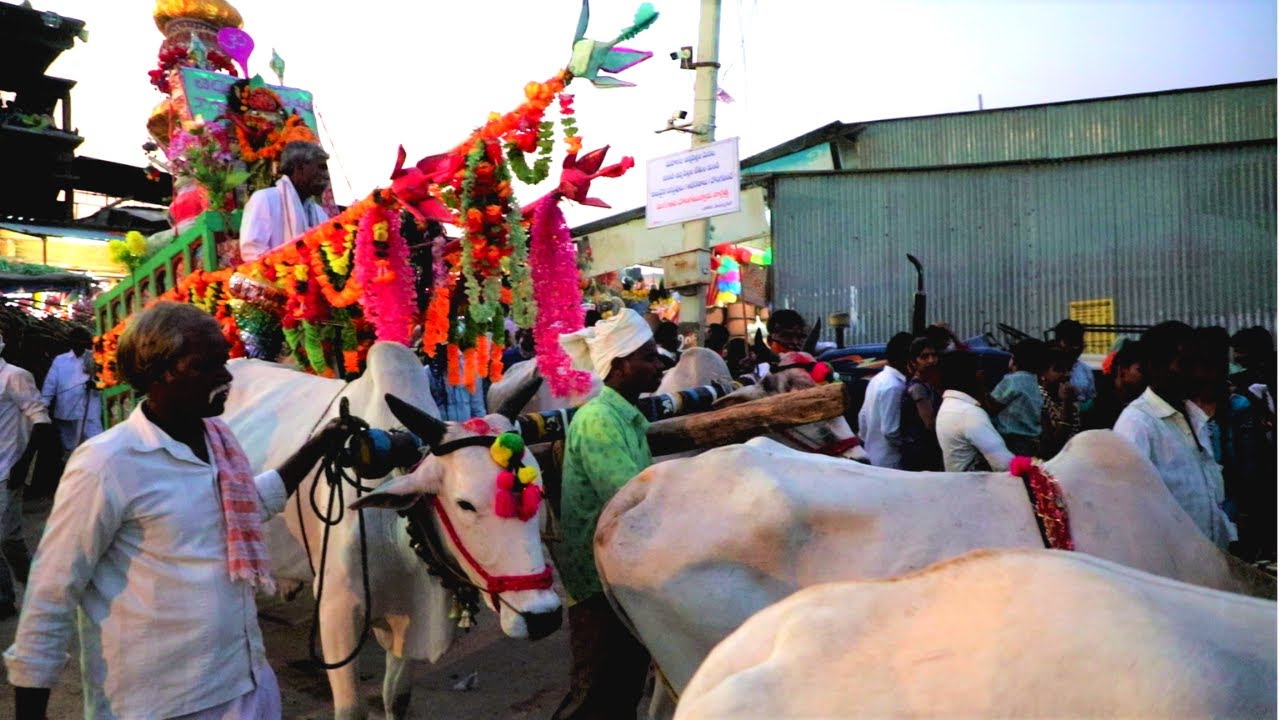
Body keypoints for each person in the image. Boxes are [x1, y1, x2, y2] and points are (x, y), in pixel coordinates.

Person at [6, 302, 345, 720]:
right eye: (207, 366)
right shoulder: (107, 463)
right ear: (160, 372)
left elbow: (246, 507)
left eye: (224, 362)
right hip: (162, 702)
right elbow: (52, 592)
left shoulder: (220, 441)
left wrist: (322, 443)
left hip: (247, 684)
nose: (226, 378)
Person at [553, 309, 664, 720]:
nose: (658, 365)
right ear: (619, 365)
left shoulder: (628, 418)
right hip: (597, 579)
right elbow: (632, 496)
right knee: (593, 695)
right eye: (648, 357)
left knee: (624, 689)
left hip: (621, 572)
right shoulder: (598, 419)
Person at [1113, 321, 1236, 550]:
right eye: (1185, 364)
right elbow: (1129, 510)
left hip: (1206, 561)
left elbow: (1207, 498)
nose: (1196, 373)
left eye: (1199, 363)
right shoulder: (1137, 424)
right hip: (1168, 568)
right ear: (1153, 367)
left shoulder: (1193, 417)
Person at [0, 333, 52, 620]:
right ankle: (5, 599)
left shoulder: (15, 376)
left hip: (10, 465)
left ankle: (38, 588)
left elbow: (41, 421)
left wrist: (25, 463)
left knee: (7, 537)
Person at [239, 141, 332, 262]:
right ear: (299, 167)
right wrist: (287, 271)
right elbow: (251, 252)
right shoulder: (265, 199)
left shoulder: (320, 213)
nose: (327, 176)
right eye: (321, 168)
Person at [936, 351, 1014, 473]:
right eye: (980, 372)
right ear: (977, 376)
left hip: (958, 485)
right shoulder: (969, 413)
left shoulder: (949, 406)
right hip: (976, 487)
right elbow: (1003, 463)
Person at [39, 325, 101, 456]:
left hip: (89, 410)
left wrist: (95, 385)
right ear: (71, 342)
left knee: (95, 444)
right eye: (76, 341)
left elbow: (105, 381)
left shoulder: (94, 359)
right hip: (66, 411)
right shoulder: (60, 360)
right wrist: (44, 404)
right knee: (70, 448)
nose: (80, 344)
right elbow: (50, 383)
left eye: (83, 341)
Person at [857, 332, 913, 468]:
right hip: (891, 461)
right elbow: (890, 431)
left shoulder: (878, 379)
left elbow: (862, 418)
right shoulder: (895, 386)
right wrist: (911, 444)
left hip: (872, 455)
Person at [988, 339, 1048, 458]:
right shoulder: (1034, 380)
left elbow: (992, 406)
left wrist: (980, 389)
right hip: (1031, 441)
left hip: (1011, 441)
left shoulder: (1012, 380)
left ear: (1015, 360)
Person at [898, 337, 943, 471]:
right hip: (920, 453)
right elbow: (930, 424)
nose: (931, 360)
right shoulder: (917, 388)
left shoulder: (928, 384)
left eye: (934, 355)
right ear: (914, 362)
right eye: (924, 357)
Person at [1082, 339, 1144, 431]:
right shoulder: (1098, 407)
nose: (1146, 375)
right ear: (1121, 370)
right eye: (1140, 370)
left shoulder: (1141, 402)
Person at [1039, 348, 1082, 458]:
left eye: (1069, 369)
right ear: (1043, 372)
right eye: (1059, 369)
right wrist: (1066, 403)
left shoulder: (1066, 397)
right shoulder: (1038, 398)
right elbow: (1054, 445)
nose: (1066, 374)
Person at [1052, 319, 1097, 409]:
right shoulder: (1048, 369)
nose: (1076, 347)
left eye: (1079, 342)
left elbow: (1091, 399)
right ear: (1060, 342)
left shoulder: (1085, 370)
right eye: (1072, 342)